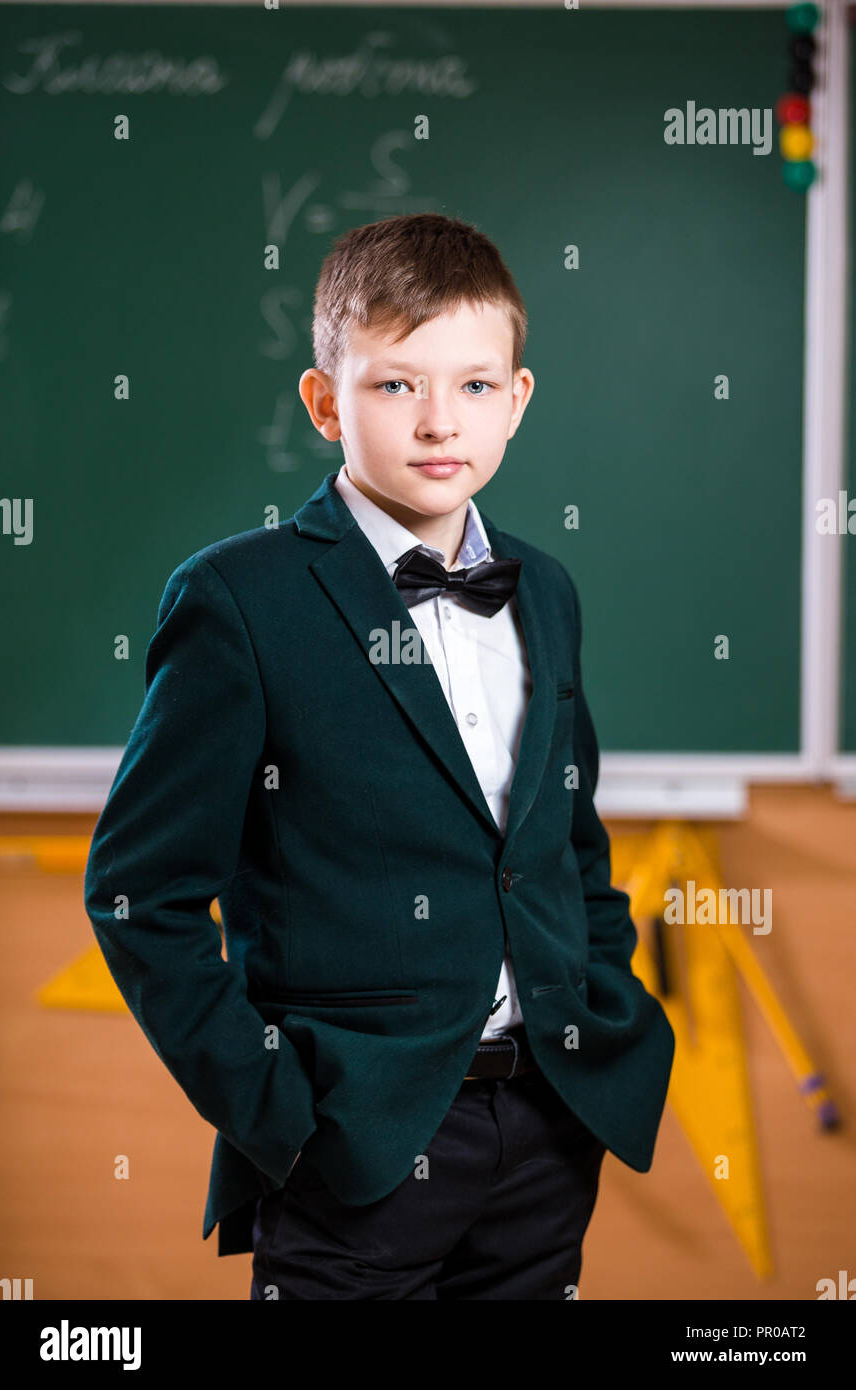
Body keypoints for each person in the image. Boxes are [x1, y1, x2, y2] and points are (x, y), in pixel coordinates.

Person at [84, 212, 675, 1300]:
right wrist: (281, 1114)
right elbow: (139, 892)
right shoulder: (239, 598)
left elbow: (565, 843)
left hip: (548, 1122)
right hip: (351, 1143)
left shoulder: (544, 590)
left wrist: (599, 1001)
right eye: (395, 385)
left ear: (518, 400)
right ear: (324, 402)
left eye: (474, 386)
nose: (438, 421)